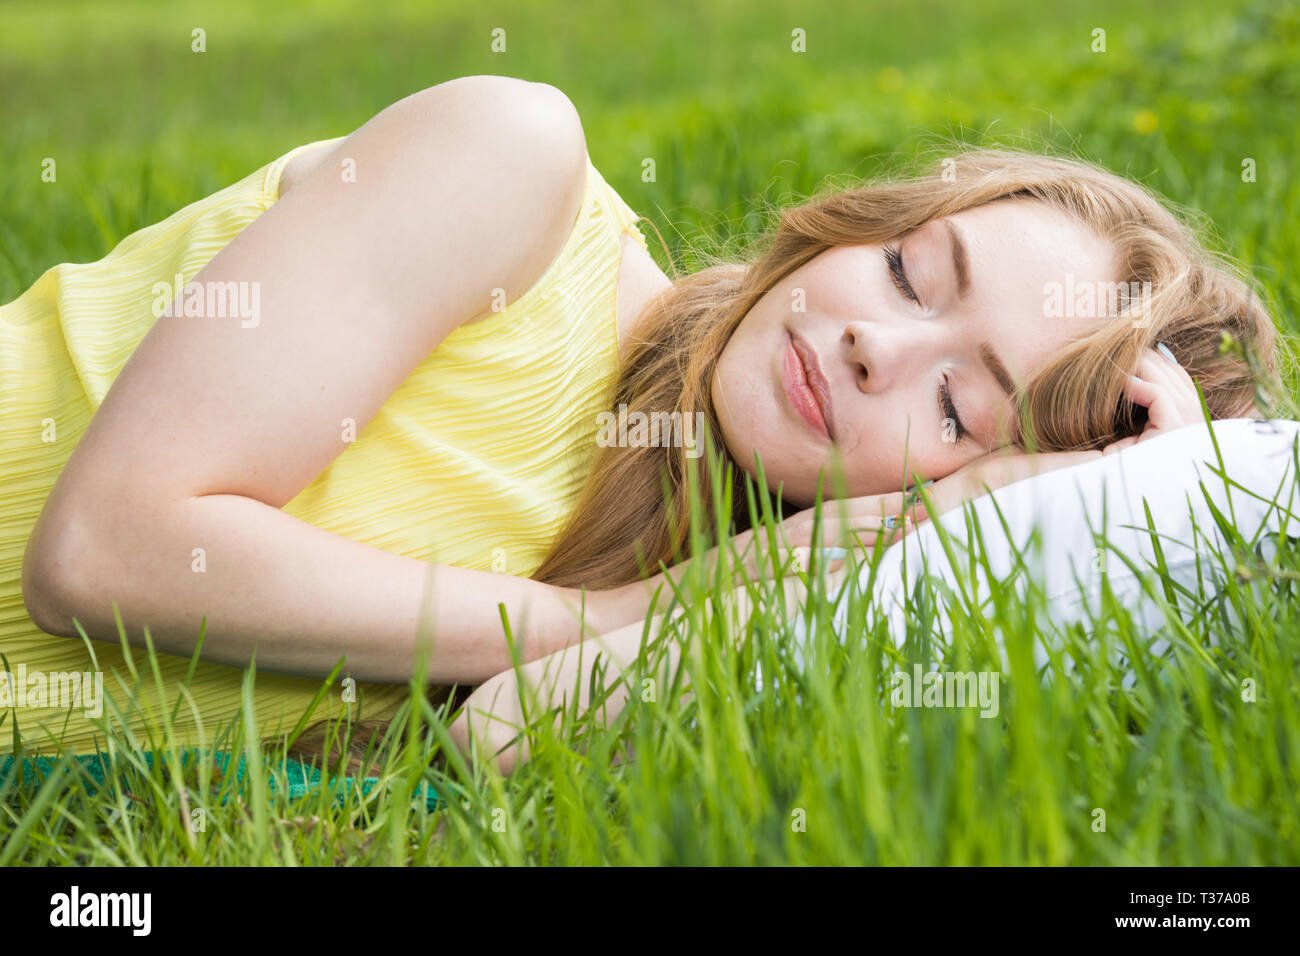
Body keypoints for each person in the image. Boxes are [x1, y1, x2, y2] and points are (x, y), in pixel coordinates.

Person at [1, 74, 1284, 768]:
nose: (870, 344)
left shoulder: (748, 584)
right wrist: (622, 615)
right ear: (865, 219)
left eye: (956, 403)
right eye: (908, 270)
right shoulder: (510, 167)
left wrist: (1144, 508)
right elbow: (104, 552)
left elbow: (491, 746)